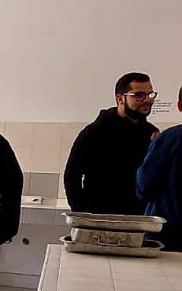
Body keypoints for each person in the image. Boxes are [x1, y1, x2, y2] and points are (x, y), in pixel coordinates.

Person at [64, 73, 159, 215]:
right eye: (139, 95)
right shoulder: (95, 132)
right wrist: (82, 213)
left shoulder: (151, 134)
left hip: (138, 220)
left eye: (150, 95)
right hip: (99, 218)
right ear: (120, 99)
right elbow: (72, 175)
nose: (147, 100)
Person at [138, 86, 182, 251]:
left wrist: (153, 149)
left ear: (179, 106)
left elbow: (145, 185)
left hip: (167, 235)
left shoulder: (171, 139)